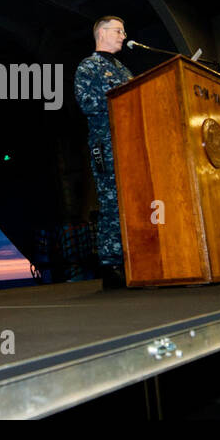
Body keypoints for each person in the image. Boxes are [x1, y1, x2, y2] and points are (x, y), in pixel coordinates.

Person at [74, 16, 134, 286]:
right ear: (102, 33)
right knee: (112, 203)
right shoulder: (89, 67)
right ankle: (111, 267)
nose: (123, 35)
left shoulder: (123, 68)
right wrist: (118, 96)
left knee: (134, 201)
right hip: (106, 144)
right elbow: (87, 103)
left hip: (132, 142)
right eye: (119, 31)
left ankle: (137, 259)